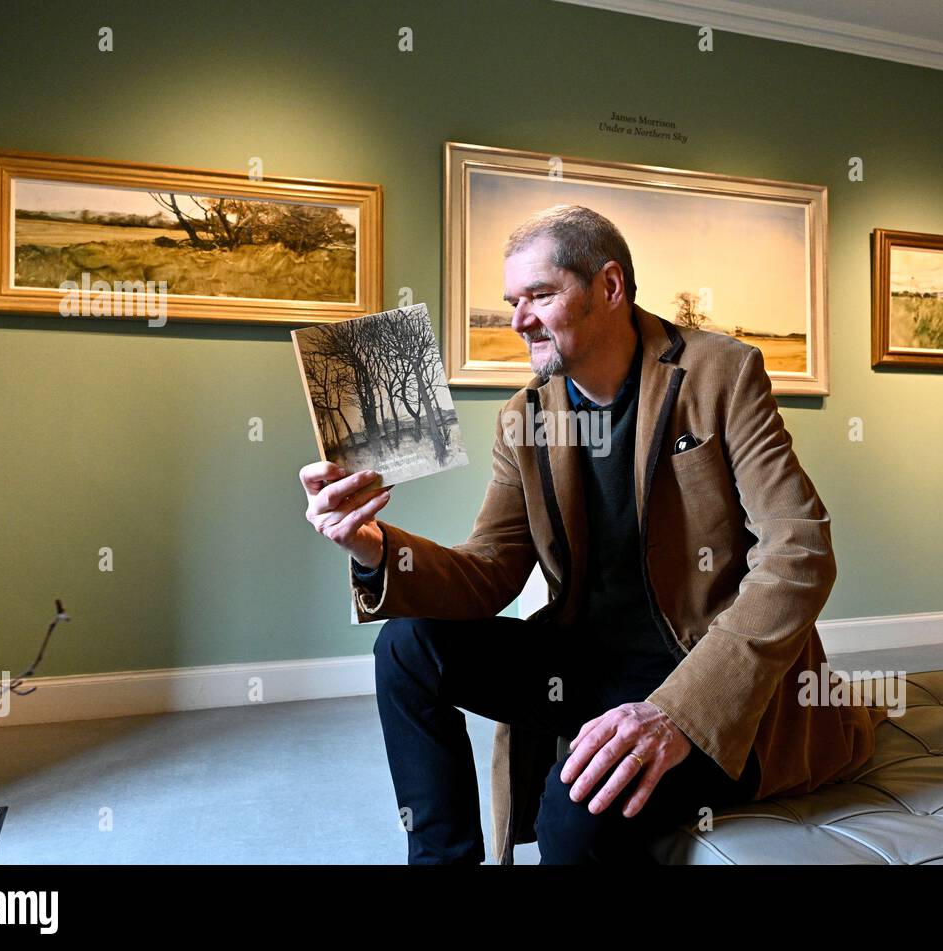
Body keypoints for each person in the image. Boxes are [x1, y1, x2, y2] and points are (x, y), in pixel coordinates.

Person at [299, 204, 886, 864]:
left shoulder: (723, 373)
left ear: (609, 288)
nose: (518, 320)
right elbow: (490, 569)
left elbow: (799, 549)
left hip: (699, 673)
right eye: (512, 301)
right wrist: (376, 549)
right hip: (584, 664)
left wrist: (679, 713)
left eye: (539, 295)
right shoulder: (524, 416)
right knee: (406, 646)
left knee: (575, 813)